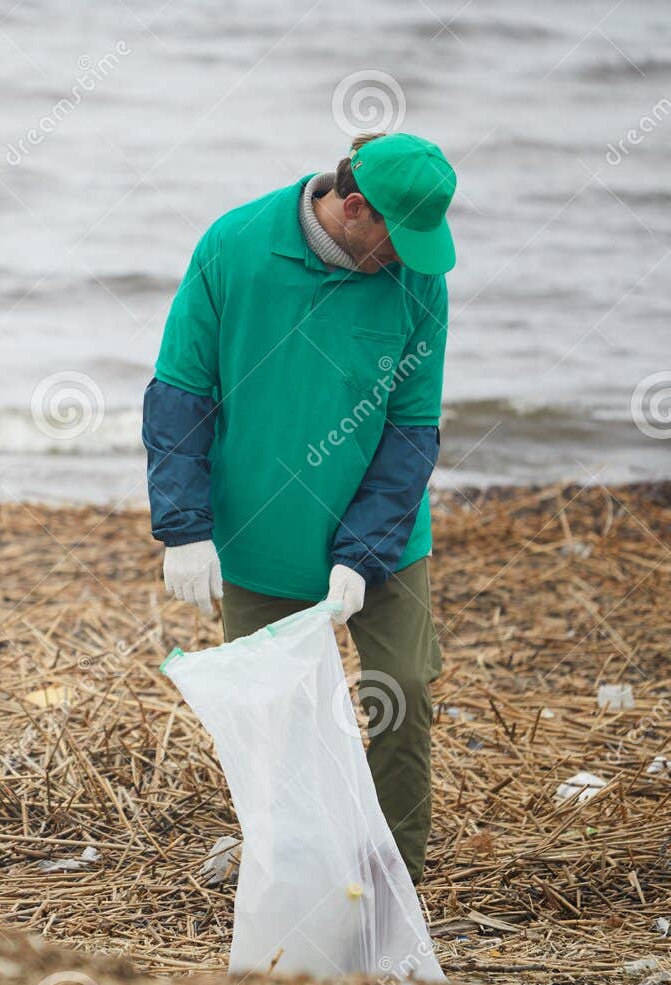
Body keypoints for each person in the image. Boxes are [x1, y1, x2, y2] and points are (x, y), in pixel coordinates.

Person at [143, 132, 455, 883]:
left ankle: (392, 879)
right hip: (260, 534)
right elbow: (179, 393)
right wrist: (184, 527)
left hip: (383, 536)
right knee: (272, 717)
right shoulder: (236, 245)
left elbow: (412, 431)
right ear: (354, 208)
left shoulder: (419, 282)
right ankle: (295, 874)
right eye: (401, 239)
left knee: (404, 691)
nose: (414, 258)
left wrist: (363, 552)